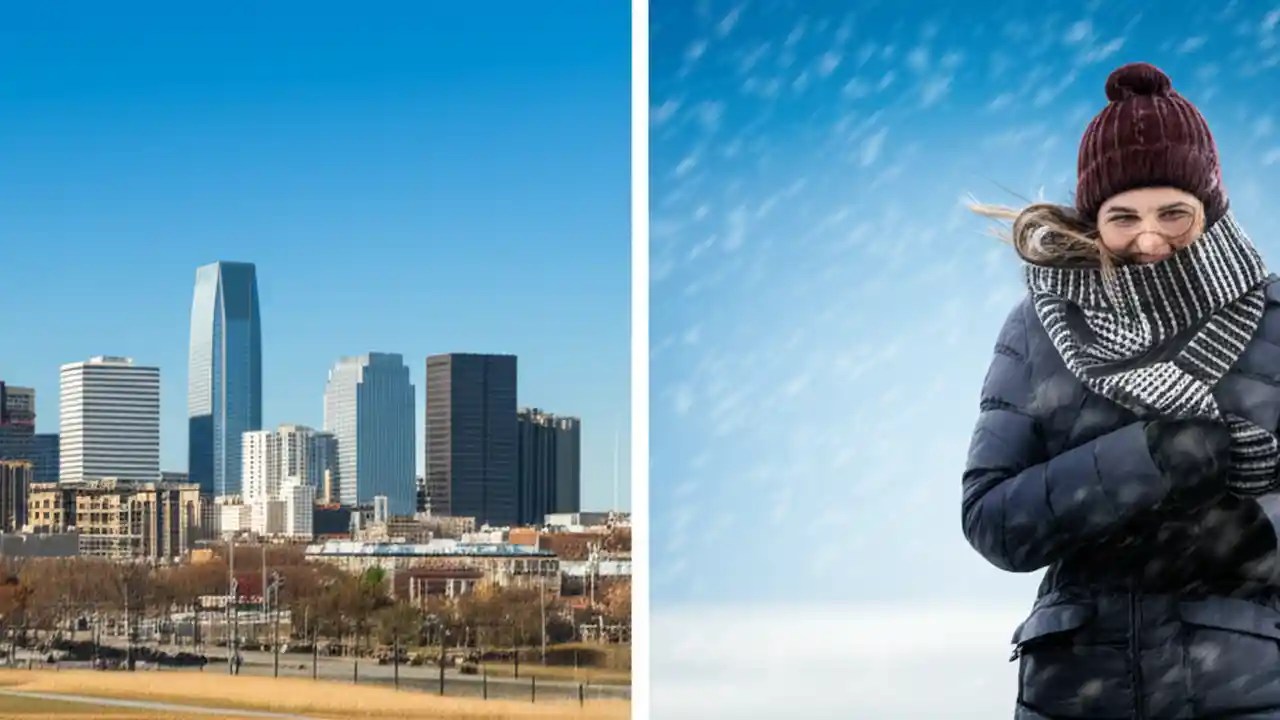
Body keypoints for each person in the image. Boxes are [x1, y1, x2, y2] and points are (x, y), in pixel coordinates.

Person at [964, 61, 1280, 719]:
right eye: (1122, 215)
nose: (1148, 237)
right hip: (1073, 692)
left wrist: (1243, 519)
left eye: (1174, 212)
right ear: (1093, 218)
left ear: (1212, 208)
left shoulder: (1273, 321)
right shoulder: (1041, 327)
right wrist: (1154, 457)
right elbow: (994, 521)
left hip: (1243, 692)